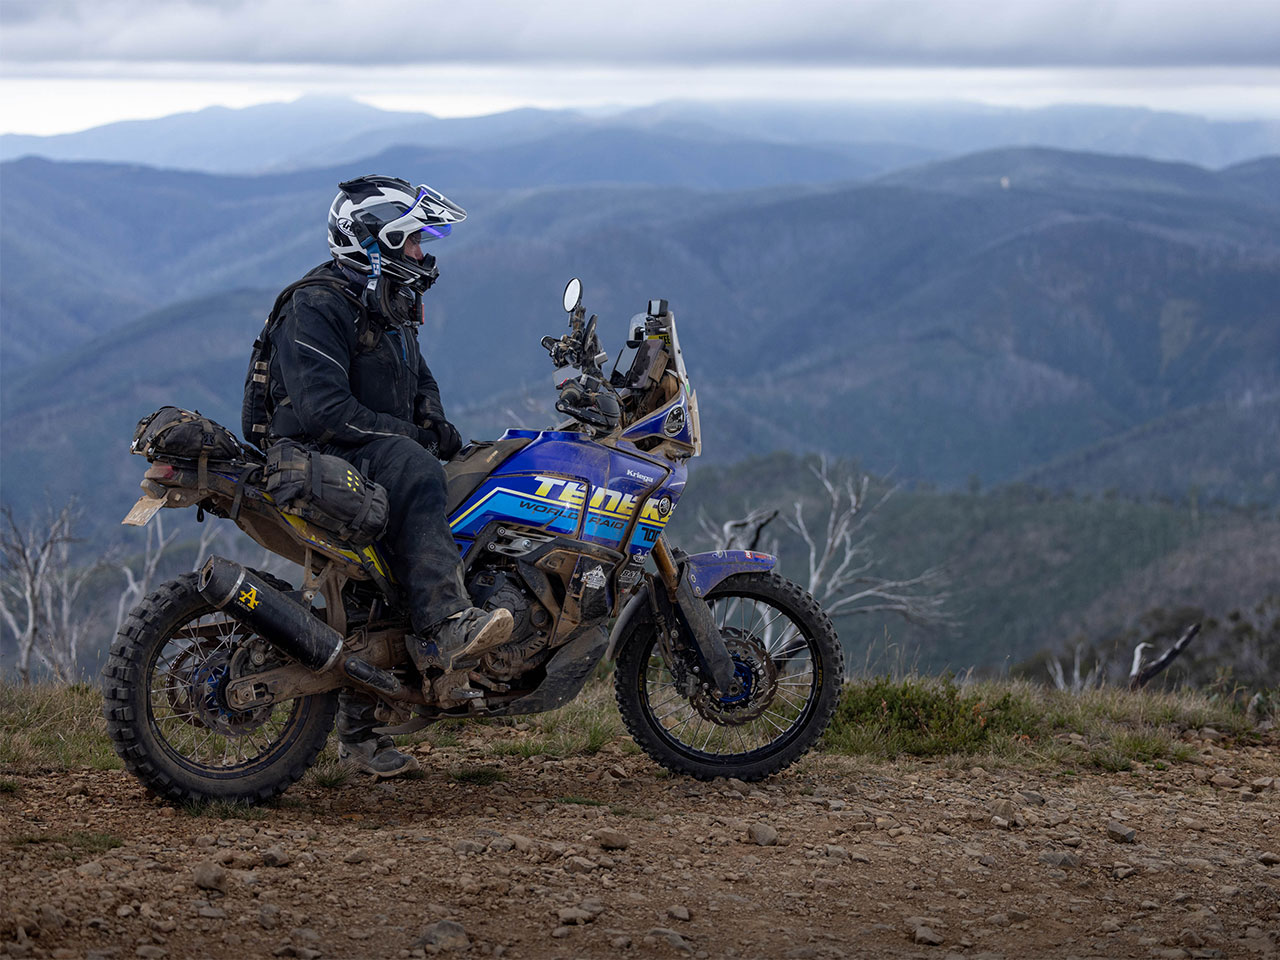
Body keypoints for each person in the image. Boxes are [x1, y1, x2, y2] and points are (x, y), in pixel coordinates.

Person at [265, 175, 513, 778]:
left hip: (364, 444)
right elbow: (324, 410)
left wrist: (436, 424)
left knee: (457, 484)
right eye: (413, 243)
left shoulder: (384, 300)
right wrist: (409, 441)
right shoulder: (317, 305)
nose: (423, 255)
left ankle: (362, 737)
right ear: (372, 241)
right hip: (321, 449)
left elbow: (416, 379)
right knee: (414, 467)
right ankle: (447, 625)